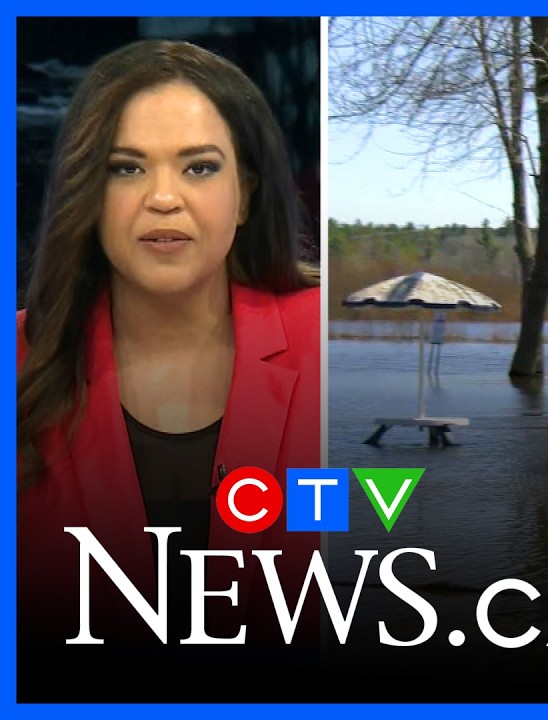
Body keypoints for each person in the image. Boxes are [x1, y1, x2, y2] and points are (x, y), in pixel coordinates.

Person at [15, 39, 322, 669]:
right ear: (88, 193)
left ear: (246, 193)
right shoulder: (18, 358)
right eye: (126, 168)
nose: (163, 198)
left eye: (200, 168)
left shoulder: (324, 346)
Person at [427, 310, 446, 375]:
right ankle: (429, 372)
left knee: (436, 351)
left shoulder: (444, 311)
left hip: (439, 329)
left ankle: (433, 372)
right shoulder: (436, 311)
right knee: (433, 350)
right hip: (436, 328)